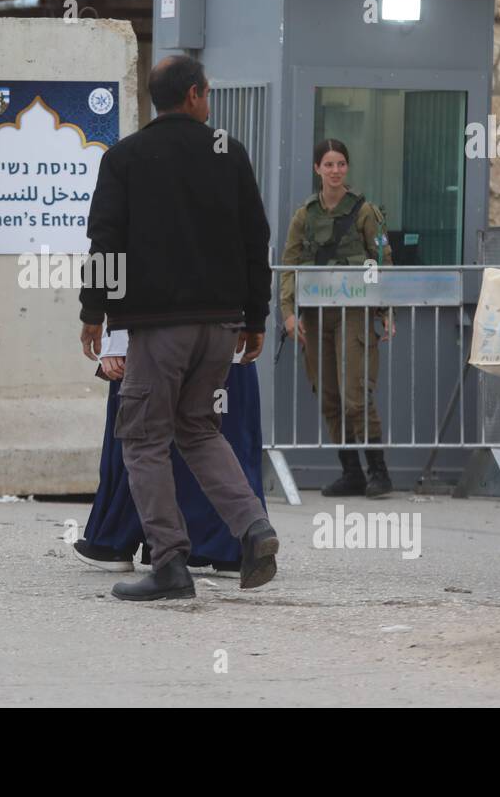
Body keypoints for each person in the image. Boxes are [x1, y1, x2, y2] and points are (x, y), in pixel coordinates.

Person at [78, 54, 279, 602]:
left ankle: (169, 561)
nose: (208, 100)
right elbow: (254, 241)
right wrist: (256, 317)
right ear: (193, 95)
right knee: (198, 429)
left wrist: (93, 311)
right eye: (207, 92)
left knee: (143, 437)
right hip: (219, 326)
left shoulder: (126, 157)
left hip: (157, 328)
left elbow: (106, 241)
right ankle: (253, 527)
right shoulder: (228, 154)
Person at [72, 331, 267, 577]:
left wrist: (114, 341)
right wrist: (254, 321)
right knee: (221, 439)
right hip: (226, 339)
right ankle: (241, 542)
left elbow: (123, 291)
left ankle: (123, 542)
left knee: (142, 441)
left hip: (158, 339)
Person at [279, 139, 395, 497]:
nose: (335, 171)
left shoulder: (364, 211)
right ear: (317, 169)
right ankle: (352, 472)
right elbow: (289, 264)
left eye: (341, 164)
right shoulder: (305, 215)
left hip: (355, 311)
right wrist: (287, 312)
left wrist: (385, 311)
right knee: (328, 394)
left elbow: (382, 262)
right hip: (316, 316)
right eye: (328, 164)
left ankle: (379, 472)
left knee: (355, 392)